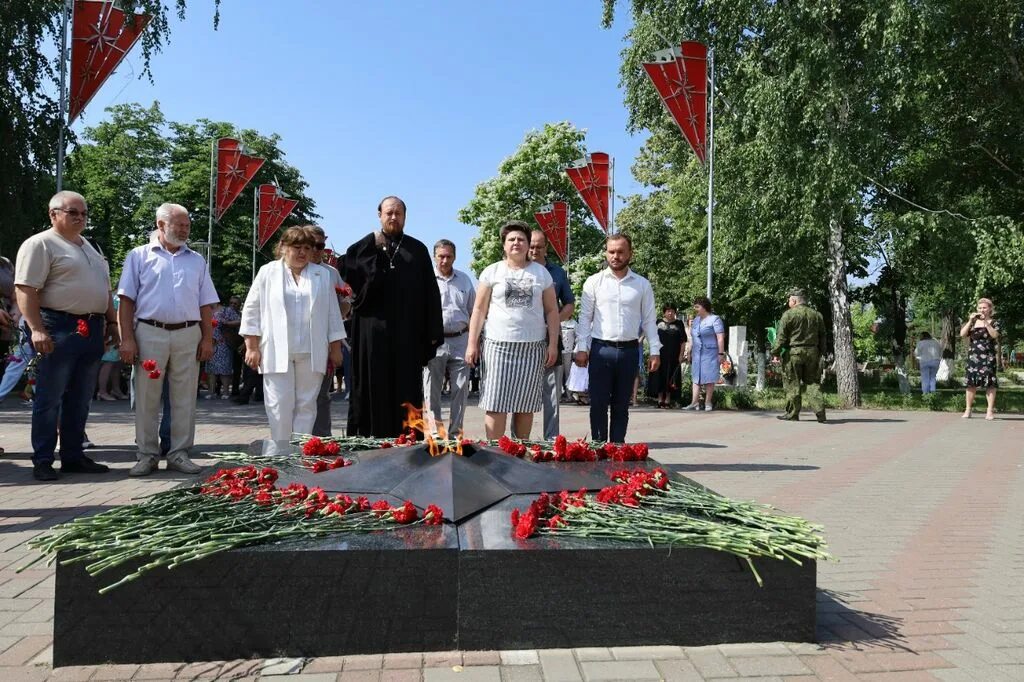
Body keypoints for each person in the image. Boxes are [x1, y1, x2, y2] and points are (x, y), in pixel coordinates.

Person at [15, 191, 118, 481]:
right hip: (57, 325)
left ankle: (73, 456)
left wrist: (112, 323)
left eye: (84, 213)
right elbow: (25, 289)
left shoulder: (91, 247)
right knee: (50, 397)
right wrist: (36, 329)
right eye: (73, 212)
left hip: (92, 327)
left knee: (81, 397)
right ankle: (43, 459)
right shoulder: (41, 244)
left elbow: (105, 289)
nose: (80, 218)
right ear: (53, 214)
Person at [117, 203, 217, 476]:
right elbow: (126, 300)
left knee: (185, 398)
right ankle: (147, 455)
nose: (185, 230)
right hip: (150, 332)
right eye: (179, 225)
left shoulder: (197, 260)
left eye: (187, 226)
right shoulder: (138, 256)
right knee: (147, 397)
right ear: (161, 225)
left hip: (188, 333)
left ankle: (179, 453)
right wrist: (127, 339)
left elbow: (206, 303)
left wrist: (207, 339)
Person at [339, 196, 442, 437]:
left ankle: (411, 440)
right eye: (389, 213)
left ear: (405, 216)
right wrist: (373, 247)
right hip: (371, 333)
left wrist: (432, 336)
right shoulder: (367, 245)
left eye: (398, 213)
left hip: (408, 335)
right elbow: (347, 267)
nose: (393, 217)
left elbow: (430, 293)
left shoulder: (417, 250)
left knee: (408, 389)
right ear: (379, 215)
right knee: (372, 386)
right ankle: (369, 439)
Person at [242, 226, 345, 440]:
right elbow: (252, 309)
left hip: (311, 350)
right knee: (279, 403)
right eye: (296, 247)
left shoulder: (323, 275)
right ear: (283, 247)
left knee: (307, 404)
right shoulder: (267, 272)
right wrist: (251, 346)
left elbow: (332, 314)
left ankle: (300, 453)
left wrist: (335, 348)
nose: (302, 252)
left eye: (307, 248)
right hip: (276, 349)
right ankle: (281, 450)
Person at [466, 221, 559, 440]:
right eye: (511, 239)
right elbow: (479, 310)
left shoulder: (541, 274)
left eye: (521, 239)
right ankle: (495, 454)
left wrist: (553, 344)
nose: (516, 243)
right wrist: (472, 343)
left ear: (528, 245)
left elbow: (552, 311)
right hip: (497, 346)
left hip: (532, 348)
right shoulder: (492, 271)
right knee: (496, 403)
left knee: (525, 405)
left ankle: (519, 454)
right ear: (504, 245)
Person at [574, 234, 660, 443]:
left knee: (622, 405)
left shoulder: (642, 284)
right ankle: (599, 447)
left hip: (630, 351)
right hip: (601, 350)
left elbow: (649, 320)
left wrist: (655, 350)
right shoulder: (594, 282)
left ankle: (617, 448)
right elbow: (585, 318)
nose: (616, 256)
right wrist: (582, 347)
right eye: (611, 252)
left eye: (621, 252)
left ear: (630, 253)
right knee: (599, 404)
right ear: (606, 253)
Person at [423, 239, 475, 437]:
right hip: (434, 341)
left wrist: (474, 342)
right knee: (431, 388)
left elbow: (473, 311)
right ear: (434, 256)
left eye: (448, 256)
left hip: (461, 339)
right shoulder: (426, 280)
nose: (445, 260)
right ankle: (436, 432)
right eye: (441, 256)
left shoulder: (465, 280)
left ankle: (455, 433)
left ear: (454, 257)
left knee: (461, 389)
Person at [528, 229, 575, 440]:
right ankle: (517, 440)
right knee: (520, 391)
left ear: (546, 247)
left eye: (539, 246)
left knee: (552, 393)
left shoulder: (557, 273)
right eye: (531, 246)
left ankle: (551, 439)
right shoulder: (518, 269)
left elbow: (569, 305)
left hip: (550, 338)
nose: (534, 250)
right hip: (523, 338)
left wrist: (553, 322)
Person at [307, 225, 350, 436]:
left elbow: (346, 303)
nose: (316, 249)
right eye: (311, 244)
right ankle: (291, 440)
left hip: (323, 342)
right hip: (295, 342)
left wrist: (338, 308)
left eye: (320, 245)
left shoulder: (331, 273)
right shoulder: (289, 268)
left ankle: (322, 438)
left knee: (322, 394)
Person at [770, 289, 827, 422]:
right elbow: (823, 335)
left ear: (794, 301)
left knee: (792, 383)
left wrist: (775, 353)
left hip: (793, 353)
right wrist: (823, 353)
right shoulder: (817, 315)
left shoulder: (788, 315)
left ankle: (793, 414)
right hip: (813, 353)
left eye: (789, 300)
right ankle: (820, 413)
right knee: (813, 383)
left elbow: (781, 338)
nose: (788, 302)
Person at [681, 296, 725, 411]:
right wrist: (689, 352)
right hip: (697, 353)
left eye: (697, 307)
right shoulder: (695, 320)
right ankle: (694, 402)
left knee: (709, 378)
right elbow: (692, 338)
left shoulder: (715, 319)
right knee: (696, 377)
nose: (695, 309)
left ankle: (708, 403)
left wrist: (720, 354)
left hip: (710, 352)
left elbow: (720, 338)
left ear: (704, 307)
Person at [960, 297, 1000, 420]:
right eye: (980, 308)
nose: (982, 310)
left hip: (988, 357)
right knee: (971, 384)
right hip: (973, 357)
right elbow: (962, 334)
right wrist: (970, 320)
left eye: (985, 308)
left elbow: (994, 335)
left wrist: (986, 322)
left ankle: (989, 411)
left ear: (990, 309)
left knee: (990, 384)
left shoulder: (994, 322)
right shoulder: (972, 322)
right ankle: (968, 410)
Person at [648, 305, 687, 408]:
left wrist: (681, 355)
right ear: (664, 312)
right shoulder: (658, 322)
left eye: (672, 311)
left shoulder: (679, 323)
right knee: (659, 375)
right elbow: (652, 338)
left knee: (671, 376)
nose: (670, 313)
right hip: (659, 354)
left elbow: (683, 341)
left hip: (674, 355)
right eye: (668, 311)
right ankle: (660, 399)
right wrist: (652, 353)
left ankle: (668, 399)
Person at [207, 297, 241, 399]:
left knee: (224, 370)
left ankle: (225, 392)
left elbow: (240, 321)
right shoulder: (206, 310)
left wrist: (227, 323)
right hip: (210, 343)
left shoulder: (227, 310)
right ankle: (211, 392)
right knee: (211, 370)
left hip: (223, 344)